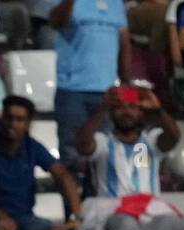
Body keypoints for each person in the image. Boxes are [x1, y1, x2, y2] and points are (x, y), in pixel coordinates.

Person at [76, 84, 184, 230]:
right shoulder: (103, 142)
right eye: (119, 108)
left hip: (151, 214)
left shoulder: (146, 145)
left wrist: (158, 110)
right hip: (114, 213)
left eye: (132, 107)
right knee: (126, 225)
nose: (126, 112)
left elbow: (173, 136)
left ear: (141, 113)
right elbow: (83, 144)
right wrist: (102, 108)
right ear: (111, 113)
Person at [0, 94, 82, 230]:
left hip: (25, 219)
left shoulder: (32, 147)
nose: (12, 124)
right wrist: (0, 216)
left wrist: (75, 216)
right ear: (1, 119)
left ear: (28, 124)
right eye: (9, 118)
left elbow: (63, 176)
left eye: (19, 120)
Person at [49, 0, 130, 170]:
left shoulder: (116, 4)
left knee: (105, 153)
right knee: (72, 154)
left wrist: (126, 84)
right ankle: (75, 196)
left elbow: (124, 44)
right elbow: (56, 22)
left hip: (108, 92)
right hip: (71, 90)